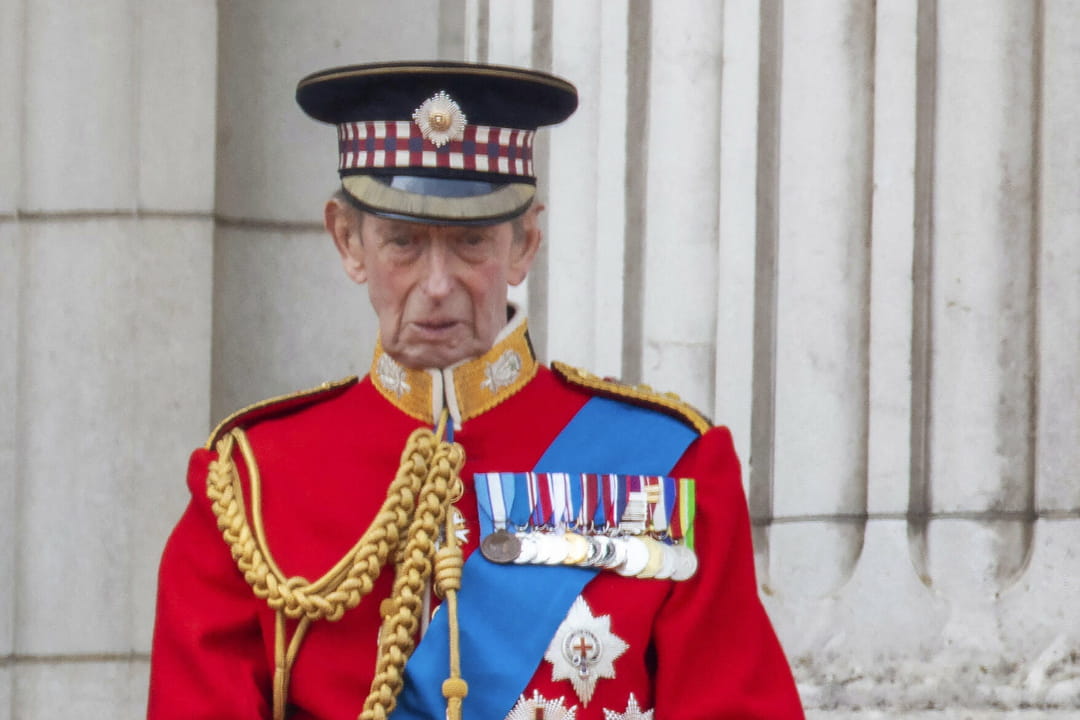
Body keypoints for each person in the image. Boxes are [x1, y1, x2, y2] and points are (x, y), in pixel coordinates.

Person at [148, 60, 804, 720]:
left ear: (524, 245)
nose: (438, 284)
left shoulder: (669, 466)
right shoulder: (251, 483)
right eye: (403, 242)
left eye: (470, 242)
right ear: (349, 241)